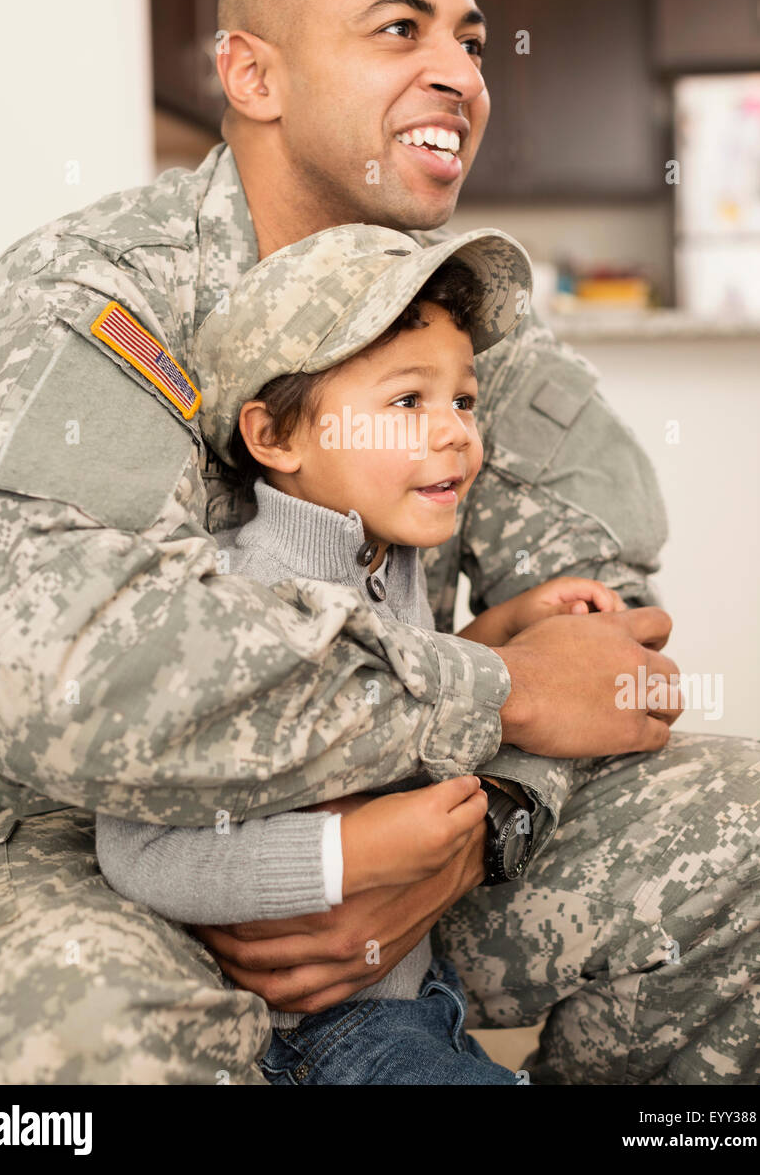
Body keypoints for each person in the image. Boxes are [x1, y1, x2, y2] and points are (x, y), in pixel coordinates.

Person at [0, 0, 760, 1085]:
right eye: (401, 29)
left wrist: (481, 825)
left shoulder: (469, 321)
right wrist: (492, 690)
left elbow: (609, 643)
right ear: (252, 75)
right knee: (82, 1036)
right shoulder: (99, 298)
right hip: (76, 846)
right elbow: (65, 683)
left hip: (409, 816)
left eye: (469, 37)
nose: (457, 70)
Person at [95, 222, 630, 1085]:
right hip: (322, 1029)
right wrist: (349, 855)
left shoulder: (385, 553)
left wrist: (506, 631)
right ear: (276, 439)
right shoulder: (242, 603)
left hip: (419, 987)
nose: (457, 432)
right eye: (407, 403)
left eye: (463, 400)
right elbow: (138, 849)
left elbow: (402, 683)